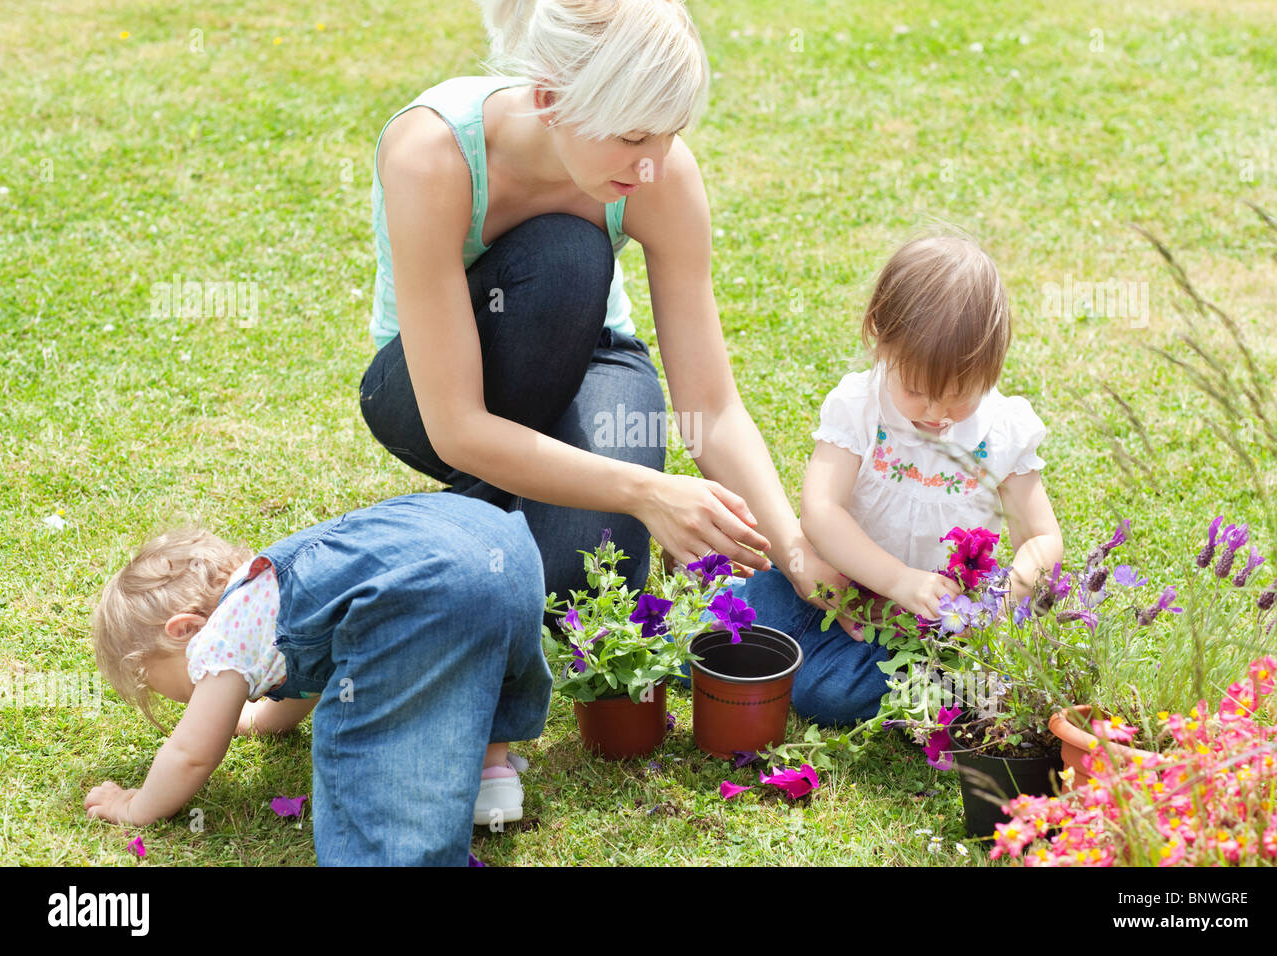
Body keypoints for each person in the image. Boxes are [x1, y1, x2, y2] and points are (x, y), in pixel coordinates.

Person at [357, 0, 845, 614]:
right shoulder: (431, 153)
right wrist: (647, 491)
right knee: (569, 255)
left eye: (671, 132)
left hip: (591, 360)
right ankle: (506, 497)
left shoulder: (662, 176)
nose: (656, 164)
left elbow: (712, 409)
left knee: (582, 583)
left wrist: (795, 551)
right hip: (427, 397)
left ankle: (512, 503)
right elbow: (455, 426)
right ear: (548, 99)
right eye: (634, 136)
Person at [84, 493, 551, 866]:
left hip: (435, 588)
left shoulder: (220, 635)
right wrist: (256, 720)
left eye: (189, 691)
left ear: (185, 629)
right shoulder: (267, 596)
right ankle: (491, 768)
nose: (203, 699)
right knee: (475, 653)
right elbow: (307, 677)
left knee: (373, 761)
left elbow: (190, 754)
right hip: (501, 546)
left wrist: (136, 807)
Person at [718, 234, 1065, 727]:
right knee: (729, 623)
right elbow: (821, 510)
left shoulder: (1001, 433)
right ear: (881, 340)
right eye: (918, 391)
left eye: (960, 396)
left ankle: (874, 681)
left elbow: (1043, 538)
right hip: (837, 587)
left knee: (831, 694)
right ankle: (807, 666)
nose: (938, 414)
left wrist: (1004, 597)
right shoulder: (861, 409)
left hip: (930, 625)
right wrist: (897, 580)